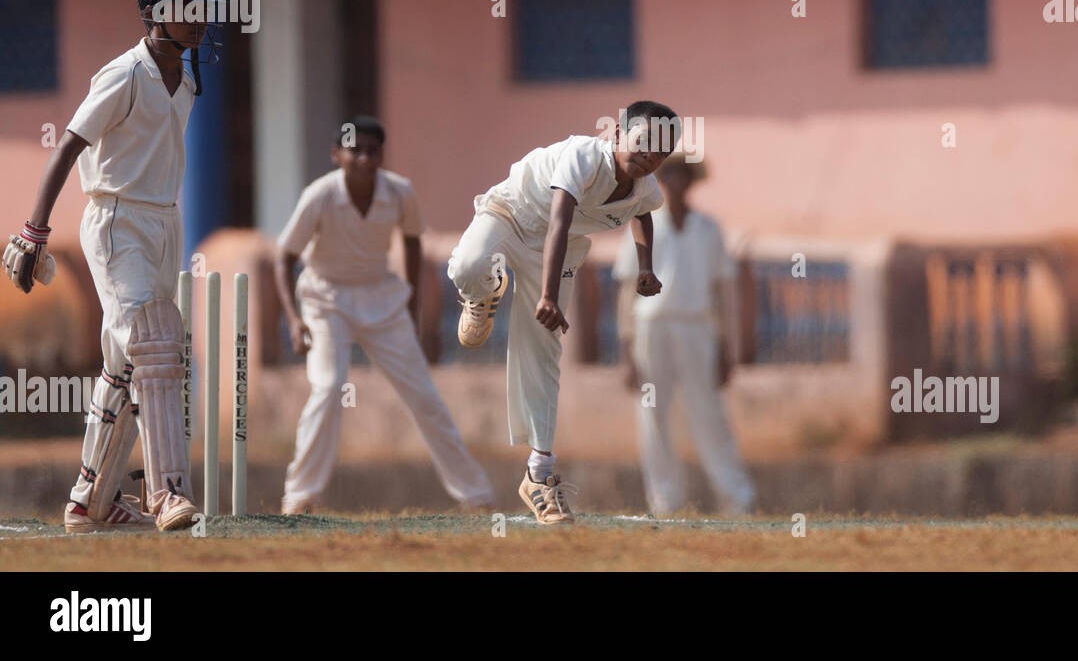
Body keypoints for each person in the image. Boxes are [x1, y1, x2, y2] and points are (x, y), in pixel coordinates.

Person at [3, 0, 220, 533]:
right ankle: (168, 490)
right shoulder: (123, 74)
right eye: (189, 9)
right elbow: (68, 146)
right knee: (155, 344)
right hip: (117, 220)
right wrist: (34, 230)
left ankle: (89, 503)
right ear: (155, 14)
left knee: (126, 365)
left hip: (164, 223)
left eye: (206, 10)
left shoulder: (190, 75)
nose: (200, 21)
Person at [447, 101, 678, 524]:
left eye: (661, 151)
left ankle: (539, 475)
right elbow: (558, 219)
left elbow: (642, 216)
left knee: (544, 350)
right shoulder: (583, 156)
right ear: (617, 134)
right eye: (643, 141)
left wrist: (646, 269)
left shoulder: (646, 188)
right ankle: (483, 293)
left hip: (559, 251)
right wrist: (547, 297)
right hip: (511, 215)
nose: (649, 155)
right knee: (468, 266)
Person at [276, 116, 493, 515]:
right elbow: (285, 257)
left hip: (382, 298)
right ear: (336, 154)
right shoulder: (319, 195)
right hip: (326, 299)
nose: (363, 158)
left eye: (371, 151)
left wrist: (412, 312)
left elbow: (412, 246)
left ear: (381, 155)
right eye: (353, 150)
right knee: (327, 388)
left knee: (424, 395)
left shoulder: (399, 192)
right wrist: (293, 319)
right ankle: (300, 496)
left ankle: (475, 496)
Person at [614, 152, 754, 517]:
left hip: (697, 327)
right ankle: (664, 502)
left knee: (708, 413)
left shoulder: (708, 229)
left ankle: (736, 498)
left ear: (691, 183)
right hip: (651, 327)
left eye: (683, 175)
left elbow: (722, 293)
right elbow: (627, 292)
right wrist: (626, 352)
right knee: (652, 415)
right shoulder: (642, 223)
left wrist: (726, 348)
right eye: (670, 174)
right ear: (661, 180)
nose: (676, 182)